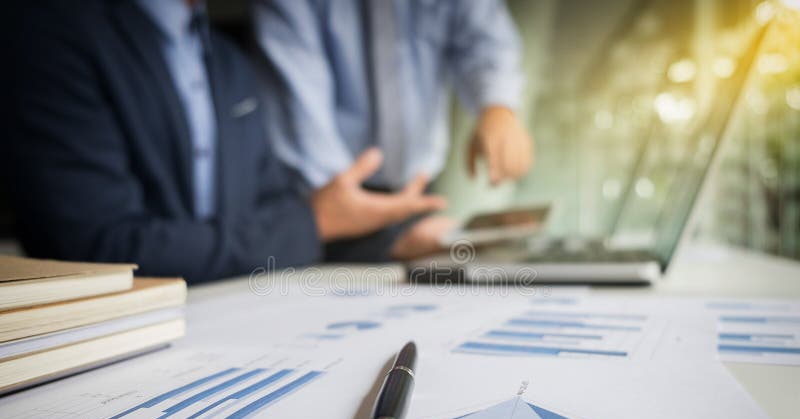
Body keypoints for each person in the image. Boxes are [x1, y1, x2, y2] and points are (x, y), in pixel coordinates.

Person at [1, 0, 446, 284]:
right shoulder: (47, 32)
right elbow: (98, 248)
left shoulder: (229, 62)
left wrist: (386, 239)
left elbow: (263, 217)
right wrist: (314, 223)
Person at [251, 0, 534, 192]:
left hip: (417, 187)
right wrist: (344, 207)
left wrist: (497, 108)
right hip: (325, 192)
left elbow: (483, 40)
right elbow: (300, 104)